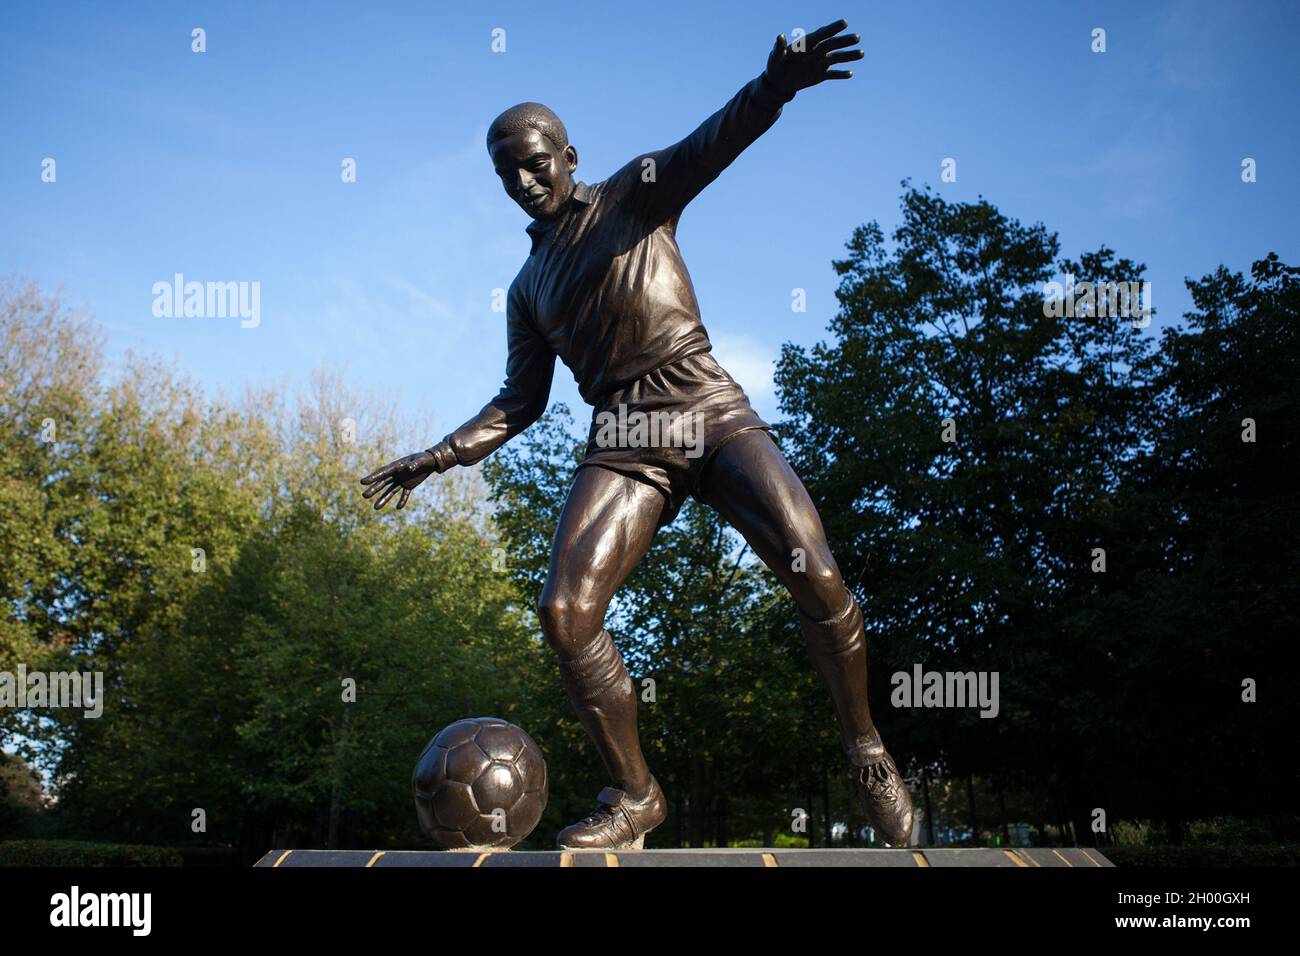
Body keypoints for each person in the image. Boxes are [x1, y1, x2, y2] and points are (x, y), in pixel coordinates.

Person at [361, 19, 914, 849]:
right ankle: (636, 794)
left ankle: (866, 747)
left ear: (569, 157)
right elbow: (520, 401)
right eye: (505, 171)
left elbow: (711, 145)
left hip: (707, 406)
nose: (522, 180)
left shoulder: (633, 195)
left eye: (535, 163)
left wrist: (775, 87)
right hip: (623, 435)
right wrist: (439, 455)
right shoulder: (526, 287)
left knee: (817, 569)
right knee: (565, 611)